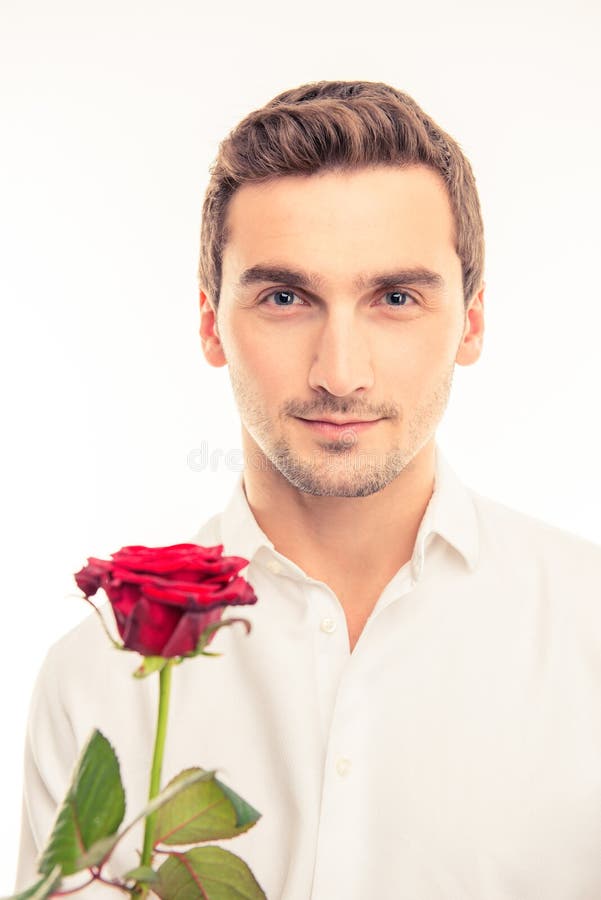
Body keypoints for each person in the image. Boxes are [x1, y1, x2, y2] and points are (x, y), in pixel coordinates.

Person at [15, 80, 601, 899]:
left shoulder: (589, 632)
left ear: (469, 321)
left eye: (395, 298)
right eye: (285, 298)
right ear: (210, 322)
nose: (339, 374)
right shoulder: (93, 680)